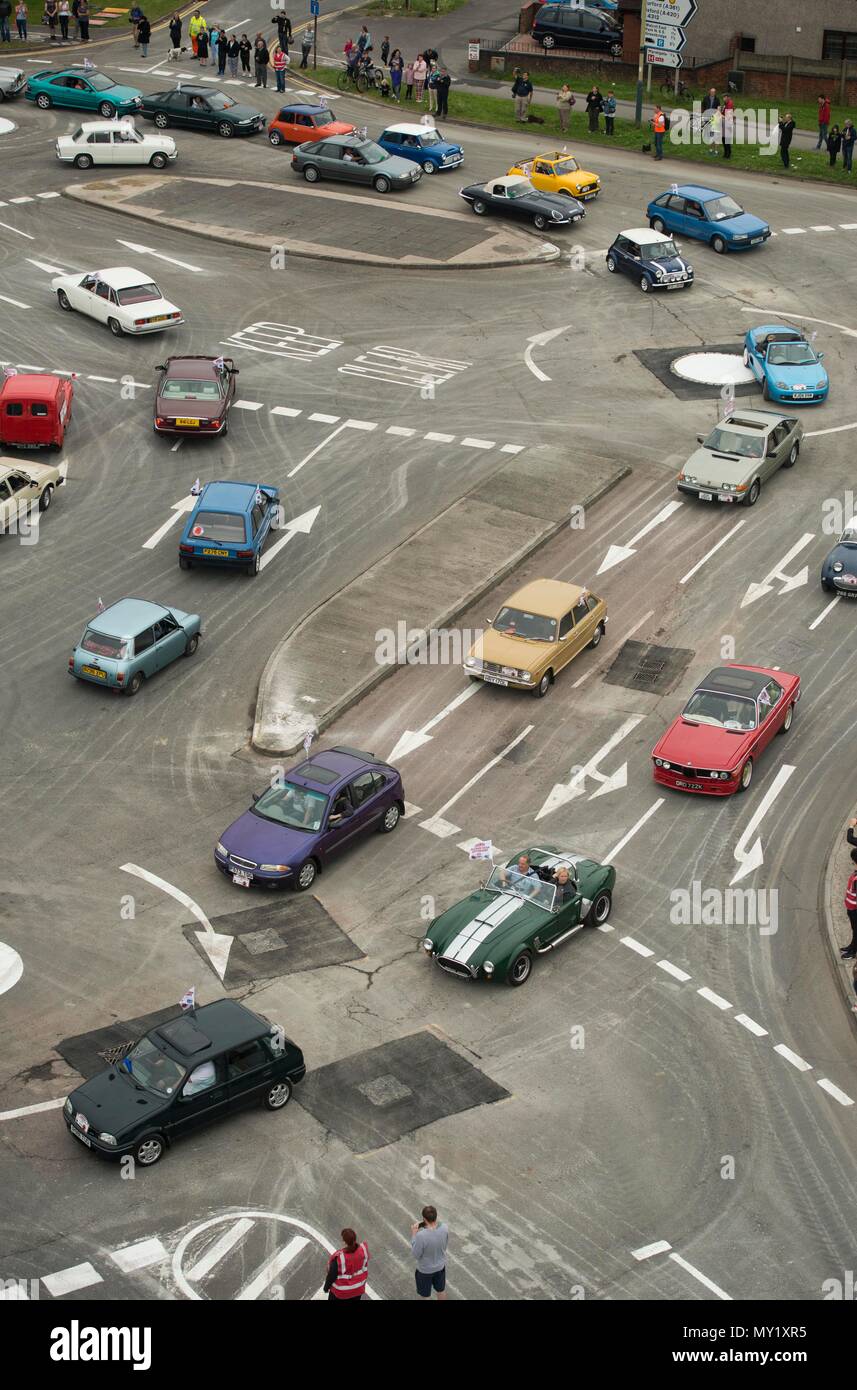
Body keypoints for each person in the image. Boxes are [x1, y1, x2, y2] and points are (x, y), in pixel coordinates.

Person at [411, 1206, 448, 1301]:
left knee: (425, 1296)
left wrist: (414, 1234)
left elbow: (416, 1254)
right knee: (441, 1290)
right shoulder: (444, 1228)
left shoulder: (421, 1236)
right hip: (440, 1267)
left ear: (424, 1219)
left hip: (425, 1271)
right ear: (436, 1216)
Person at [323, 1230, 369, 1301]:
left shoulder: (339, 1258)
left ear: (344, 1242)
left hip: (341, 1293)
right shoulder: (363, 1250)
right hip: (358, 1289)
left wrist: (326, 1288)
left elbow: (331, 1276)